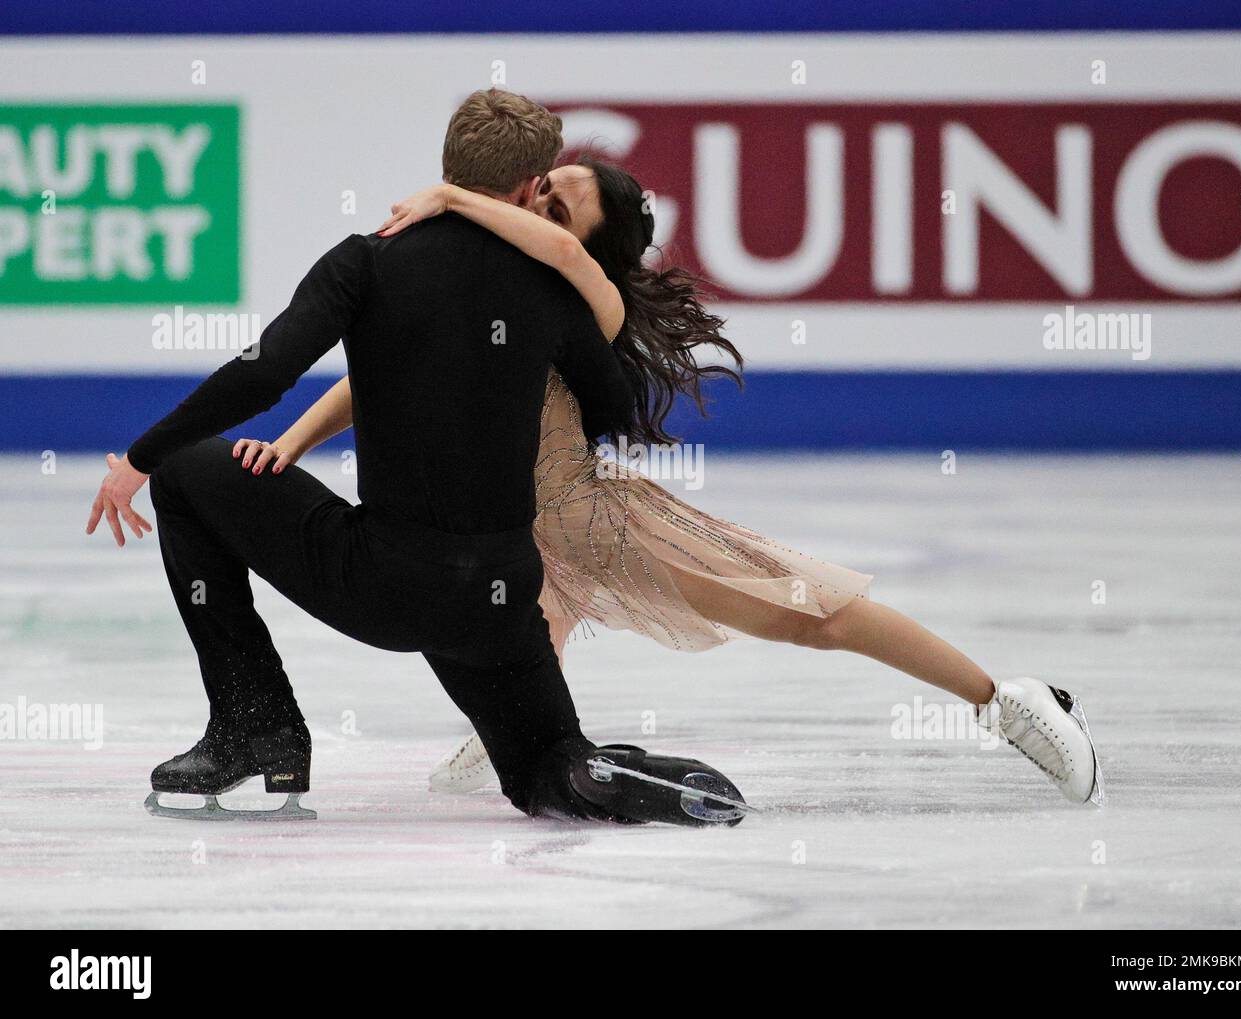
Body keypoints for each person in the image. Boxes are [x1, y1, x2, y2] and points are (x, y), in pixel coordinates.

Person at [235, 151, 1104, 807]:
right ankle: (506, 737)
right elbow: (380, 374)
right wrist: (296, 439)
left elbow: (558, 258)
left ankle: (1006, 700)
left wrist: (454, 195)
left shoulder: (574, 295)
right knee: (530, 613)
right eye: (542, 183)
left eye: (556, 200)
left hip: (597, 526)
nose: (535, 197)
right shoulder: (491, 280)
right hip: (513, 536)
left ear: (586, 243)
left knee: (811, 613)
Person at [85, 89, 750, 827]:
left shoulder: (367, 262)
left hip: (387, 582)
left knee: (184, 470)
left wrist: (142, 458)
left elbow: (263, 372)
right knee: (545, 771)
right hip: (500, 597)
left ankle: (255, 725)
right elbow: (615, 412)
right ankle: (594, 773)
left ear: (447, 166)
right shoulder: (547, 288)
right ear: (529, 189)